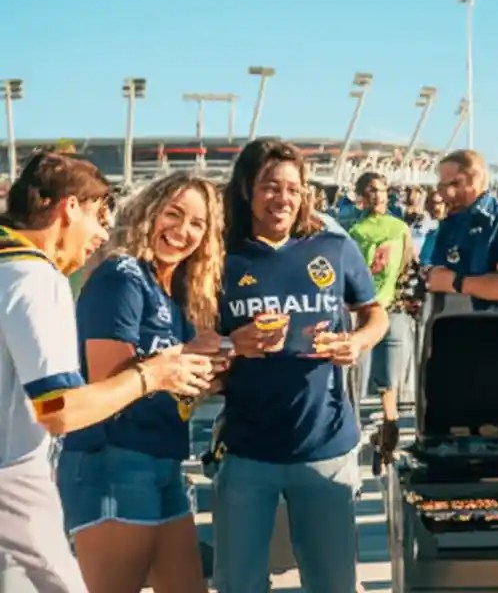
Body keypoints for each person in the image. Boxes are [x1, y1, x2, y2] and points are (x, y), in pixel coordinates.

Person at [0, 153, 212, 593]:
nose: (101, 233)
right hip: (23, 477)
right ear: (69, 208)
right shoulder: (37, 277)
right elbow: (59, 408)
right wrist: (153, 375)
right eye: (99, 216)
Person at [213, 138, 389, 593]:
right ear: (247, 189)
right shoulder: (220, 257)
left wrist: (357, 341)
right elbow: (196, 342)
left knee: (334, 584)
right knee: (240, 585)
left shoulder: (332, 246)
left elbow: (375, 312)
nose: (283, 198)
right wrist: (234, 343)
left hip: (325, 445)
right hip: (248, 448)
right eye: (271, 186)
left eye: (294, 188)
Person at [57, 172, 226, 593]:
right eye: (173, 214)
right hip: (111, 458)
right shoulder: (122, 276)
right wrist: (172, 366)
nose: (183, 231)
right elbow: (108, 381)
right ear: (146, 213)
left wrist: (215, 363)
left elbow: (173, 383)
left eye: (197, 224)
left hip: (162, 458)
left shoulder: (172, 290)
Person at [348, 172, 416, 432]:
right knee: (358, 373)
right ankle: (353, 427)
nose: (377, 195)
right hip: (363, 310)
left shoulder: (400, 229)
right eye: (371, 191)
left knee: (390, 378)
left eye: (381, 190)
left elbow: (407, 266)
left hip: (394, 308)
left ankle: (390, 431)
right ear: (361, 197)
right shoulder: (354, 232)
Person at [425, 149, 498, 312]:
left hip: (496, 328)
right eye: (442, 186)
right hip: (451, 326)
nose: (447, 193)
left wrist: (458, 283)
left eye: (456, 184)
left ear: (477, 180)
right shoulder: (449, 224)